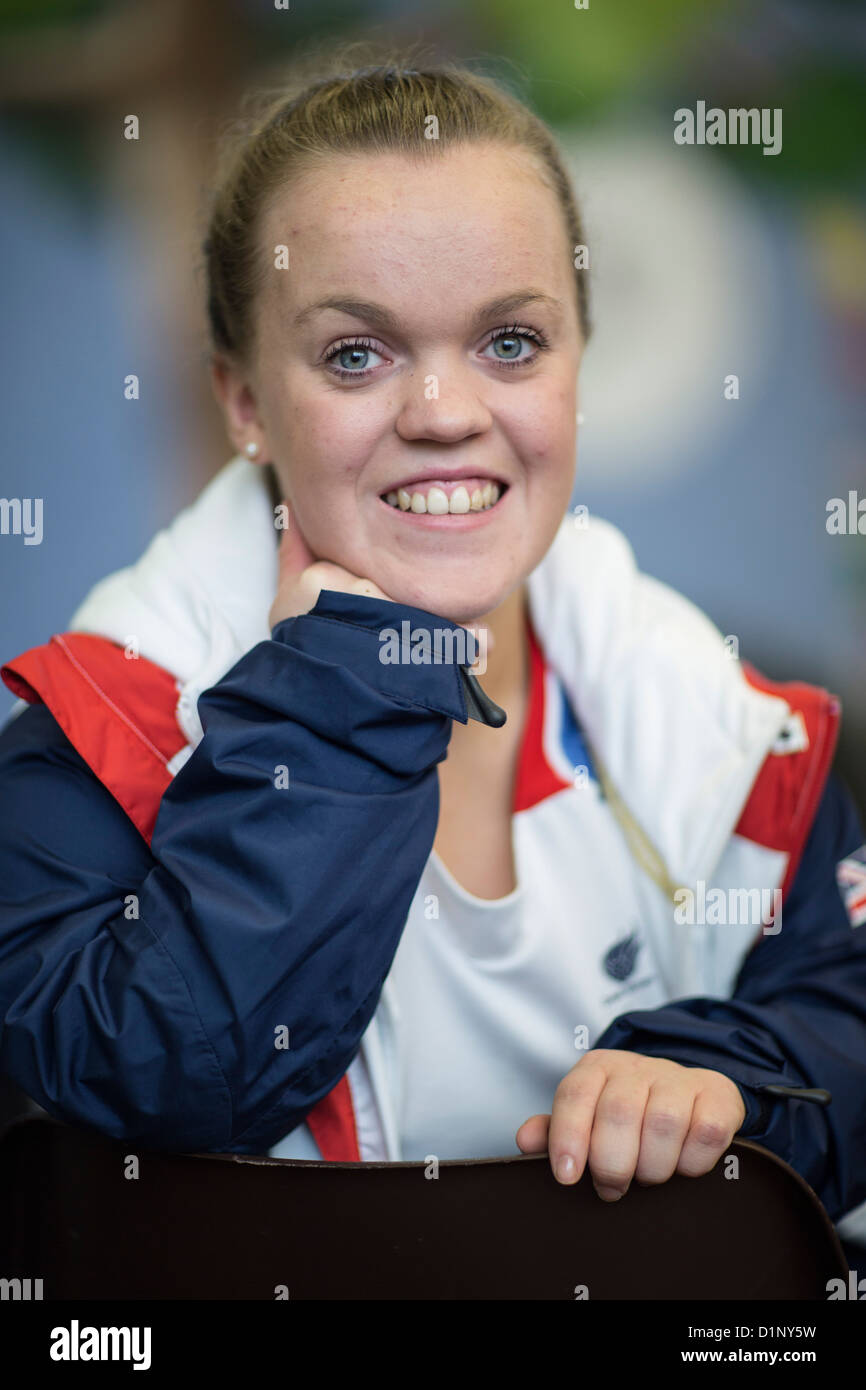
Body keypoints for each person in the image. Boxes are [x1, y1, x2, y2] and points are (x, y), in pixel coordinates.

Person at [1, 52, 865, 1236]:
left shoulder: (734, 730)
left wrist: (724, 1081)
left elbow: (840, 1015)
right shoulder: (82, 741)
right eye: (356, 354)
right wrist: (336, 701)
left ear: (574, 365)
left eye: (509, 342)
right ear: (244, 401)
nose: (445, 413)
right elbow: (164, 1091)